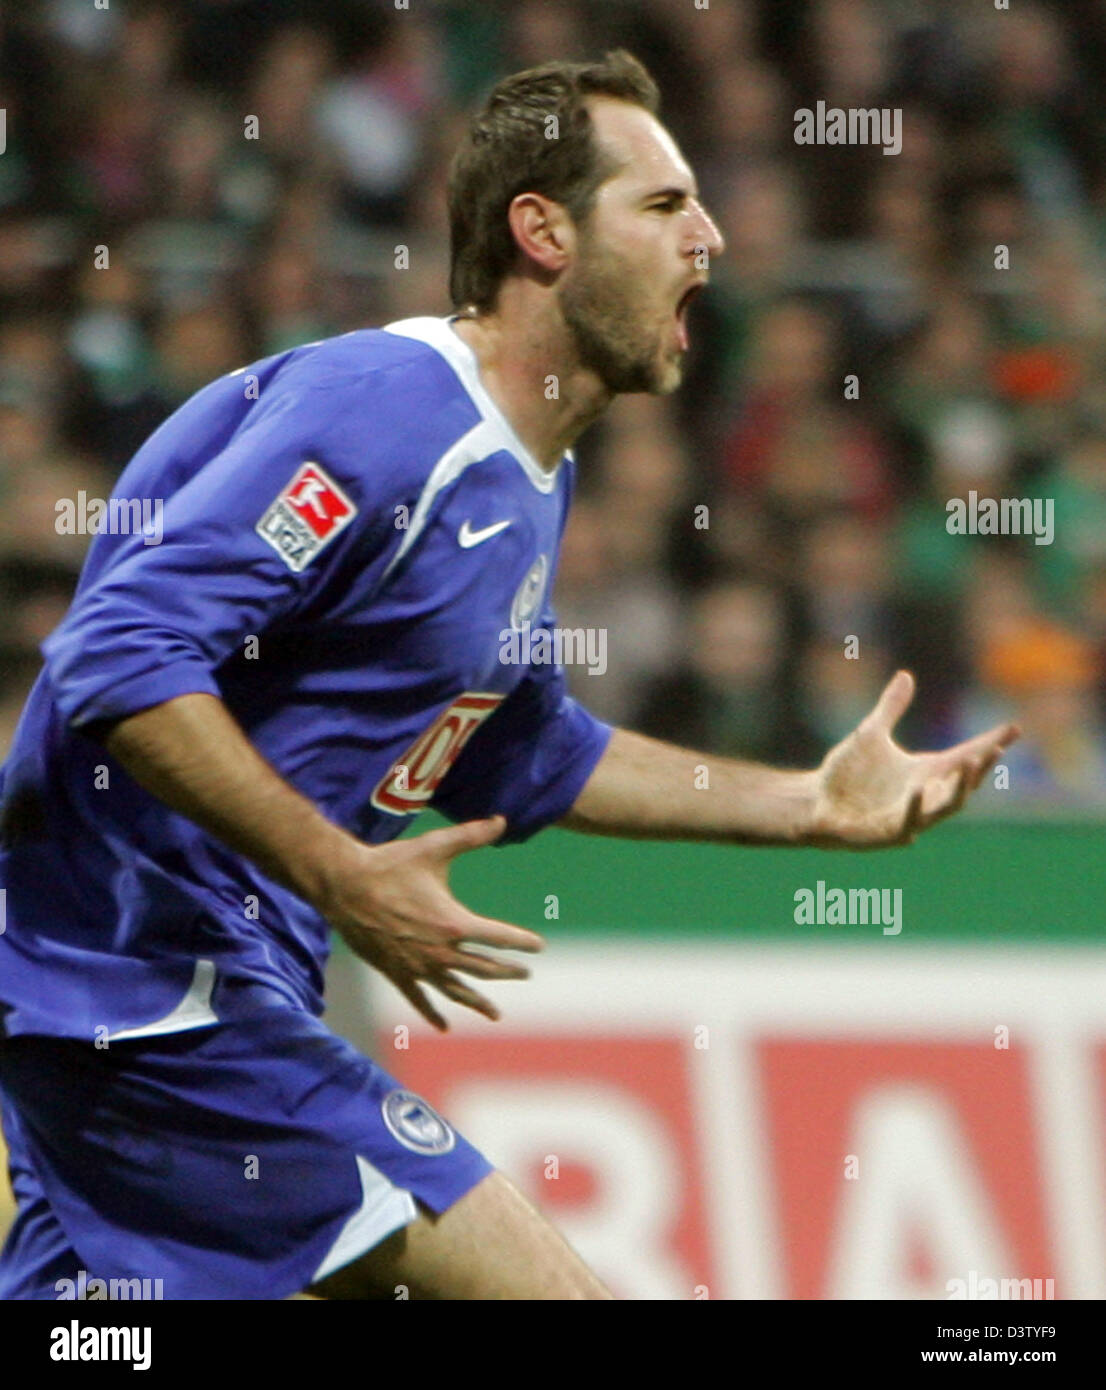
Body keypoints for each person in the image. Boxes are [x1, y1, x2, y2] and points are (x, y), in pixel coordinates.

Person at [0, 51, 1016, 1301]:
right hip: (158, 983)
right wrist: (340, 873)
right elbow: (118, 654)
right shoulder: (388, 413)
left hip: (129, 993)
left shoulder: (526, 477)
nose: (707, 238)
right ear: (540, 230)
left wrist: (805, 805)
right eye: (659, 205)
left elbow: (523, 749)